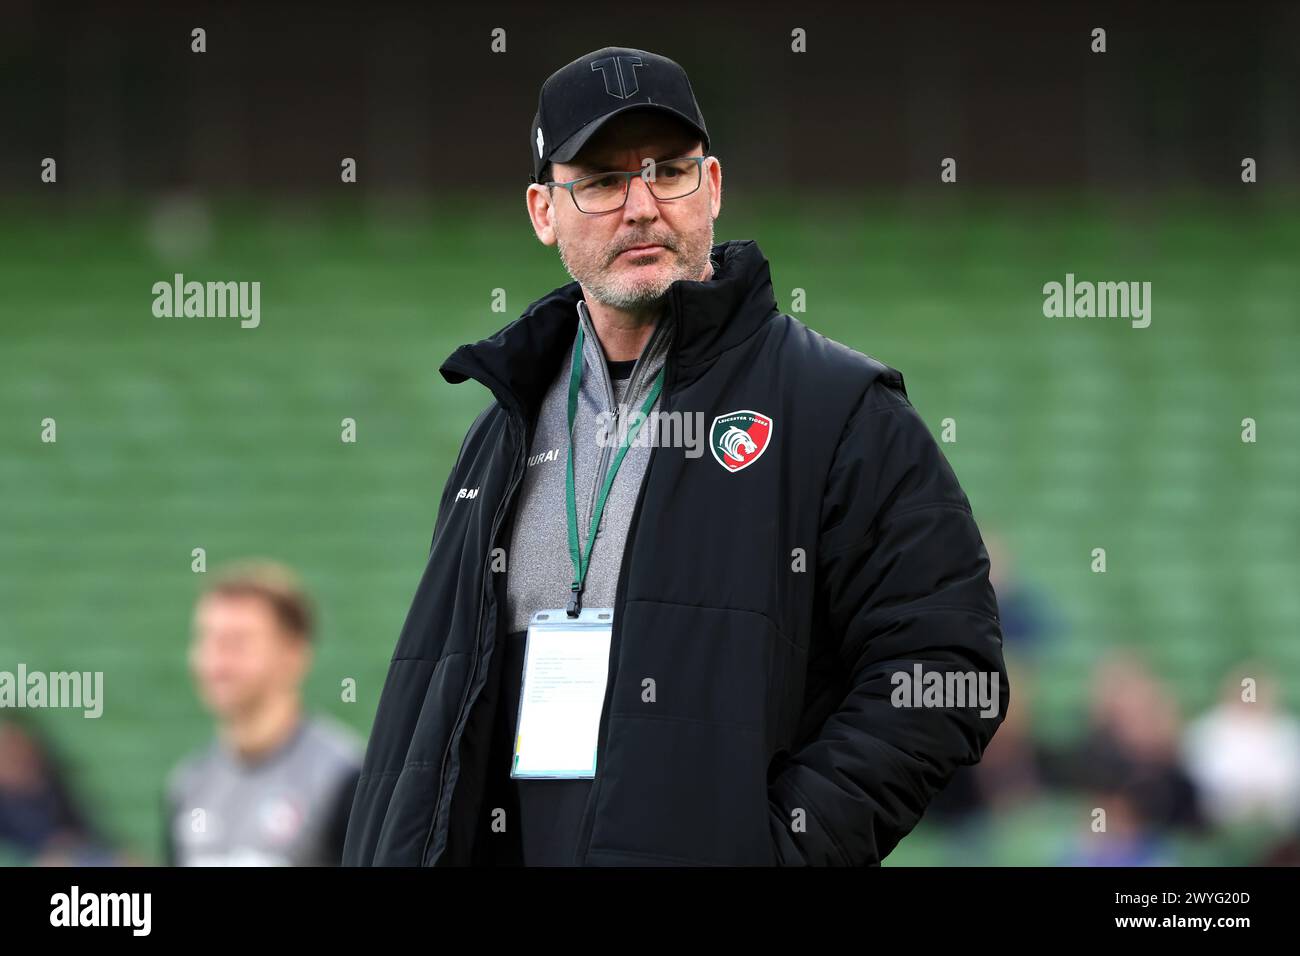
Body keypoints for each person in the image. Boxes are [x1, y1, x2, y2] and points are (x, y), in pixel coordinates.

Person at [344, 46, 1007, 867]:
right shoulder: (501, 432)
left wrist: (779, 848)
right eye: (601, 179)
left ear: (715, 187)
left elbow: (947, 673)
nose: (642, 205)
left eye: (670, 170)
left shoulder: (837, 409)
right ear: (543, 211)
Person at [164, 561, 361, 866]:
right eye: (208, 640)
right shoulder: (189, 784)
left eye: (237, 643)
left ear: (294, 655)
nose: (218, 663)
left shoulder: (343, 778)